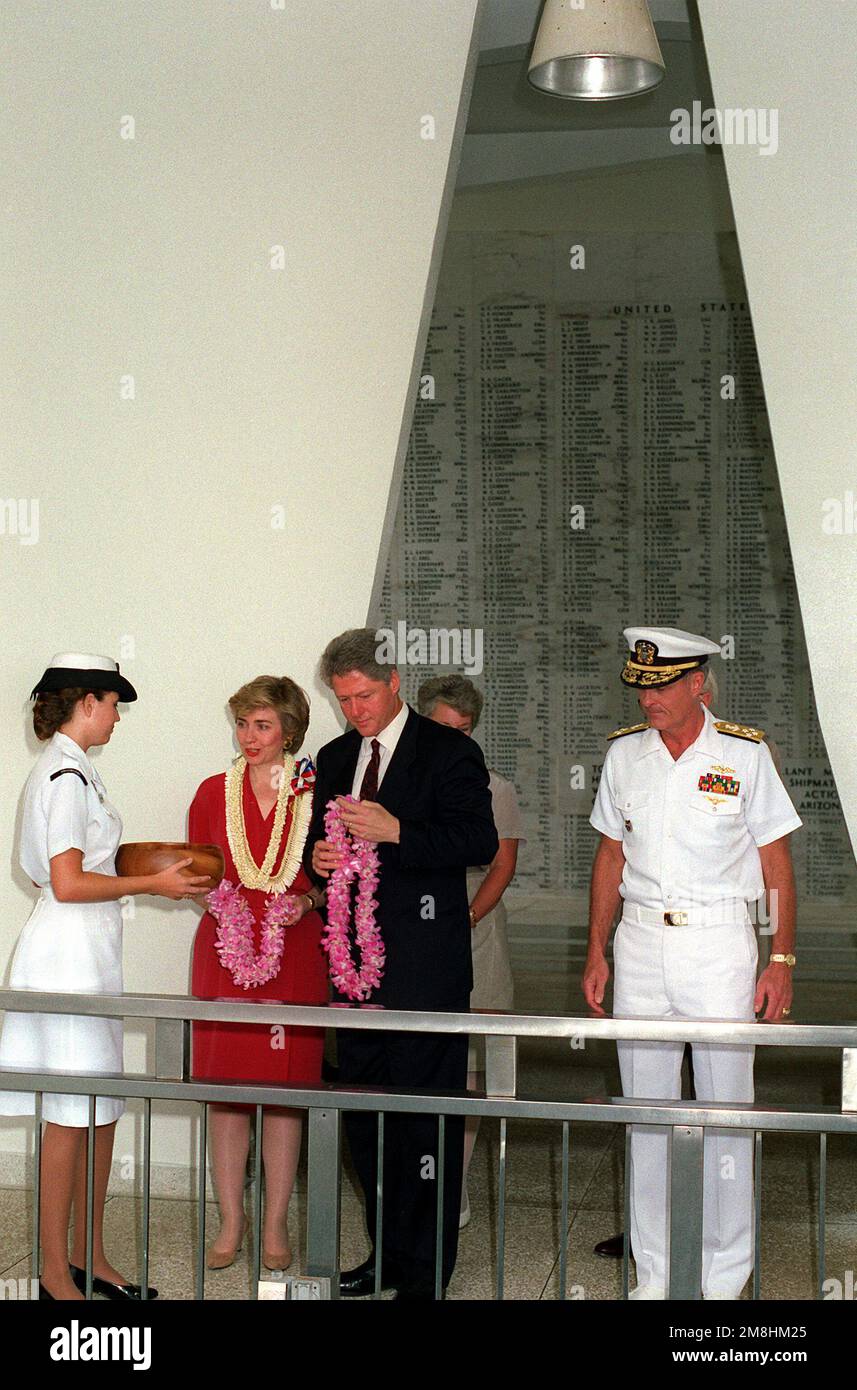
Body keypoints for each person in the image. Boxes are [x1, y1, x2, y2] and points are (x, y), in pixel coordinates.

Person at [582, 627, 801, 1300]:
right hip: (640, 944)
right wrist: (596, 946)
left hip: (718, 945)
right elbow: (610, 857)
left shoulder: (743, 753)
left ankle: (722, 1270)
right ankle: (654, 1272)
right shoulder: (624, 756)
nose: (649, 700)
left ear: (697, 683)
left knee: (725, 1111)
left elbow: (775, 865)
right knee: (645, 1115)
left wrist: (781, 957)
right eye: (641, 687)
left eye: (662, 686)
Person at [0, 653, 211, 1301]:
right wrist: (153, 881)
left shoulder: (80, 774)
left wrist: (153, 867)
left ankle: (91, 1257)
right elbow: (63, 881)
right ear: (86, 701)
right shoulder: (63, 774)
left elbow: (82, 863)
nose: (118, 717)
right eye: (114, 703)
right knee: (69, 1114)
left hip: (89, 954)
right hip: (65, 956)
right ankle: (54, 1276)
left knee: (97, 1108)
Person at [305, 629, 498, 1300]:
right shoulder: (333, 757)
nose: (355, 711)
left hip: (425, 968)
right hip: (352, 969)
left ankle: (426, 1271)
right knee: (365, 1119)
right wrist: (318, 862)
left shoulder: (449, 750)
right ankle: (384, 1255)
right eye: (343, 699)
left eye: (363, 695)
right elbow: (314, 848)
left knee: (425, 1119)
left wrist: (398, 833)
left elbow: (478, 840)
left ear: (392, 681)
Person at [188, 676, 328, 1272]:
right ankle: (229, 1221)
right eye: (243, 724)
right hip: (224, 953)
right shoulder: (210, 792)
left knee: (286, 1094)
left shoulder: (316, 794)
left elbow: (338, 877)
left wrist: (308, 901)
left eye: (263, 725)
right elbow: (198, 879)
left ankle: (275, 1223)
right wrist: (230, 918)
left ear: (290, 730)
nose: (250, 736)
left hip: (294, 954)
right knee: (226, 1092)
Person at [417, 674, 525, 1229]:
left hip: (473, 921)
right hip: (412, 922)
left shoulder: (493, 788)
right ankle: (413, 1182)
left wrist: (468, 917)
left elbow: (502, 865)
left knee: (471, 1069)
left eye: (463, 730)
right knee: (414, 1060)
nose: (453, 738)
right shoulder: (399, 781)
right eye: (442, 728)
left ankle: (452, 1190)